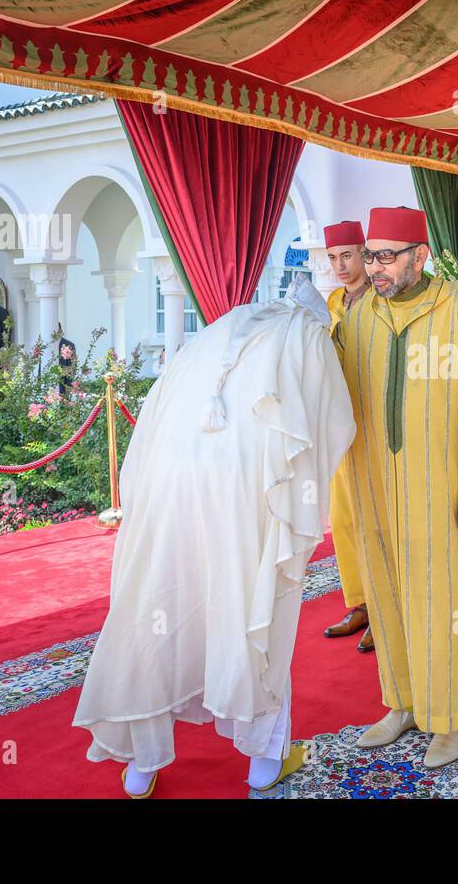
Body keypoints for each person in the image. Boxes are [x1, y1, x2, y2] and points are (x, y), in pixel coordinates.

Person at [73, 274, 355, 797]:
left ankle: (142, 766)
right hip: (245, 491)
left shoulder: (218, 329)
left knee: (157, 606)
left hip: (170, 485)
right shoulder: (311, 333)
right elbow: (334, 425)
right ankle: (265, 761)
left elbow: (153, 419)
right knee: (258, 610)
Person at [336, 206, 458, 770]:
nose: (374, 268)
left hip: (442, 487)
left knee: (443, 597)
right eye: (370, 256)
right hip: (376, 481)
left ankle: (452, 716)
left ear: (420, 256)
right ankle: (404, 701)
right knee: (386, 589)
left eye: (386, 257)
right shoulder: (361, 317)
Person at [320, 220, 375, 654]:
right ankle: (359, 603)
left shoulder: (383, 298)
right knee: (343, 515)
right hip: (341, 420)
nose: (340, 265)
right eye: (334, 258)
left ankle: (385, 611)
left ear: (364, 253)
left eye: (347, 256)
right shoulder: (332, 301)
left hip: (376, 420)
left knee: (376, 518)